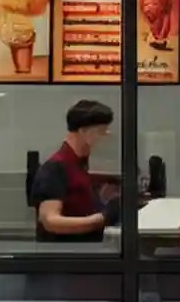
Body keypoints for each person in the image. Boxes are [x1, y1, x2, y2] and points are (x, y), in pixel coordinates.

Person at [29, 100, 122, 242]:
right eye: (101, 131)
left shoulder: (84, 165)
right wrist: (101, 219)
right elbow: (51, 221)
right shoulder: (55, 168)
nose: (105, 136)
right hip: (64, 255)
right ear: (83, 131)